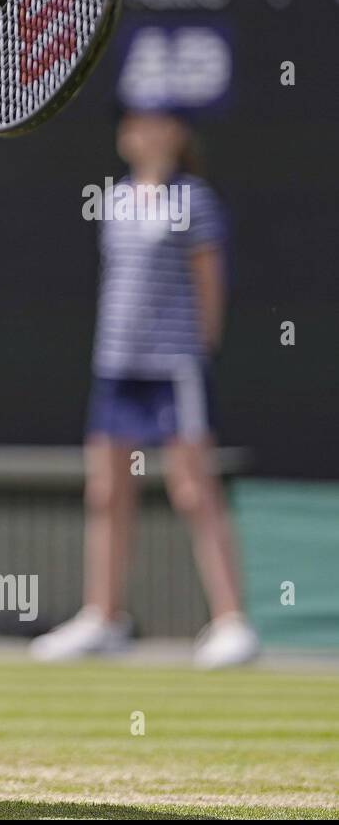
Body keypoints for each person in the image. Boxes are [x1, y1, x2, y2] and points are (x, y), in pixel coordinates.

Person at [31, 107, 258, 670]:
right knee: (107, 492)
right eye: (133, 123)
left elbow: (210, 288)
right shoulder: (116, 198)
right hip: (116, 366)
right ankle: (103, 618)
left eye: (155, 123)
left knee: (192, 489)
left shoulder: (195, 199)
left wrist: (196, 353)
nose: (140, 133)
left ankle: (232, 622)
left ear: (177, 134)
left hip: (174, 366)